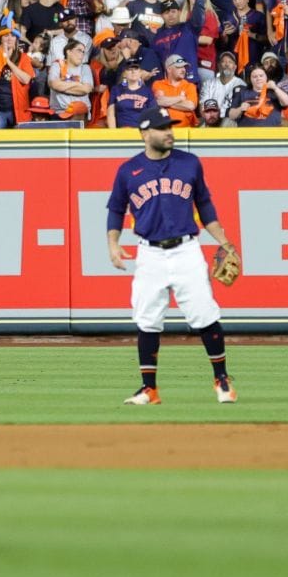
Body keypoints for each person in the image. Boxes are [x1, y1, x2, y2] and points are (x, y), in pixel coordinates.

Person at [104, 112, 237, 406]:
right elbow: (116, 209)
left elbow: (205, 204)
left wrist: (224, 242)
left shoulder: (189, 163)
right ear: (144, 133)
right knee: (147, 320)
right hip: (149, 253)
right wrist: (113, 244)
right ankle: (148, 389)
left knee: (205, 315)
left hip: (186, 250)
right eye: (162, 128)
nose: (169, 132)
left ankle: (222, 379)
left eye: (170, 127)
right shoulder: (128, 170)